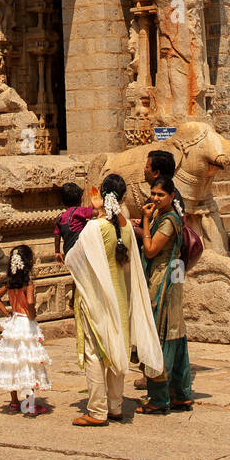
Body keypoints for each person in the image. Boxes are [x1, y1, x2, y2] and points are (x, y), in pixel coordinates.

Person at [65, 174, 164, 427]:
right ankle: (116, 406)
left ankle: (97, 410)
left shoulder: (94, 228)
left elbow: (73, 259)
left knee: (95, 352)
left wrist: (97, 214)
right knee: (116, 346)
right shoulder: (127, 228)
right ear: (121, 198)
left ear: (101, 195)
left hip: (97, 297)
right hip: (120, 295)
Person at [137, 173, 194, 414]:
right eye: (153, 193)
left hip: (163, 281)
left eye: (161, 194)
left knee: (159, 333)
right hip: (172, 277)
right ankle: (180, 394)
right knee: (175, 332)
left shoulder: (169, 221)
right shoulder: (168, 216)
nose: (156, 198)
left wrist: (146, 221)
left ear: (172, 196)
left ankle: (159, 399)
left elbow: (150, 250)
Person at [0, 245, 52, 416]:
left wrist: (7, 313)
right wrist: (32, 314)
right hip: (26, 323)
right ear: (28, 263)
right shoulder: (28, 284)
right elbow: (31, 302)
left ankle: (13, 403)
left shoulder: (10, 284)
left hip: (14, 322)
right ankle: (29, 405)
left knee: (13, 360)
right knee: (28, 361)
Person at [53, 183, 94, 262]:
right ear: (80, 199)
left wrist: (57, 252)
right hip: (81, 250)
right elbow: (95, 213)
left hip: (68, 252)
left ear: (63, 202)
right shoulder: (80, 211)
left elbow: (57, 236)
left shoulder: (60, 217)